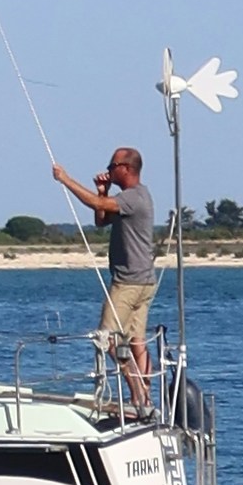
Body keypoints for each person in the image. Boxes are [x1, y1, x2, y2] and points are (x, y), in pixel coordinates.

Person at [54, 149, 158, 401]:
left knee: (107, 339)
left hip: (130, 283)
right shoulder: (130, 198)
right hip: (143, 280)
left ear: (126, 168)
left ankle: (138, 394)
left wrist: (65, 179)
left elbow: (97, 205)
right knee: (136, 341)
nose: (108, 171)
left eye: (112, 167)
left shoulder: (133, 197)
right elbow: (101, 220)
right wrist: (104, 191)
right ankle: (143, 396)